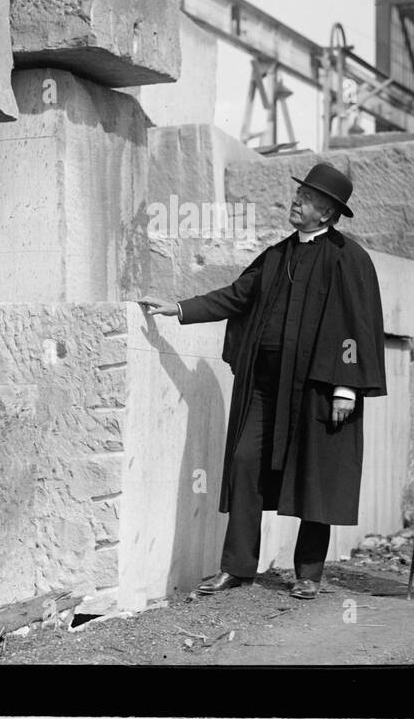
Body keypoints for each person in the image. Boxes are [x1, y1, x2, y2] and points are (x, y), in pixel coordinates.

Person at [140, 163, 386, 600]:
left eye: (308, 198)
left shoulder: (349, 258)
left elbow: (357, 326)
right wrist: (179, 307)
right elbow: (236, 295)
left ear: (327, 213)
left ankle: (308, 573)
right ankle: (237, 567)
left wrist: (346, 388)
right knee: (244, 463)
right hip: (265, 385)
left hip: (317, 389)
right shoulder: (278, 255)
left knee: (315, 475)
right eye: (299, 194)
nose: (297, 201)